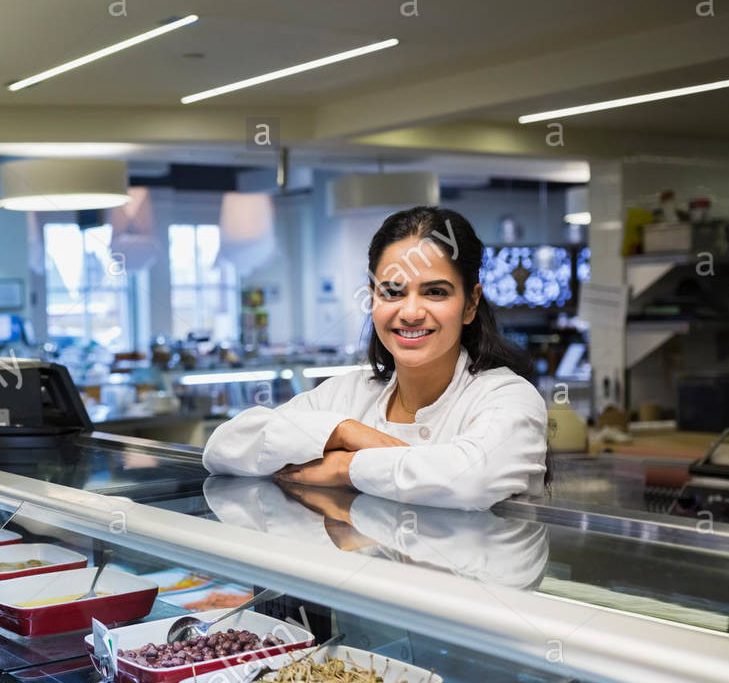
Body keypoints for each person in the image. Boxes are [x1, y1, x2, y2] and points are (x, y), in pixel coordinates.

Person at [202, 206, 547, 511]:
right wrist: (344, 431)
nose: (410, 312)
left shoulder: (507, 396)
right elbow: (223, 447)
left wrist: (344, 468)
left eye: (435, 292)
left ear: (470, 303)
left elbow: (470, 479)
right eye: (392, 292)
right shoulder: (348, 394)